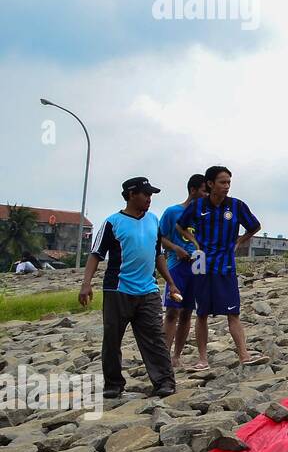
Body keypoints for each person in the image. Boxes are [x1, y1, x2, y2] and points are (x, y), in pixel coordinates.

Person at [78, 177, 181, 399]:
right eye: (145, 194)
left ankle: (164, 381)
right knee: (113, 339)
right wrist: (86, 284)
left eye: (151, 195)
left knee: (155, 338)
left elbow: (158, 255)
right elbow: (96, 255)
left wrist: (170, 282)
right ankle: (113, 383)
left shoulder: (154, 220)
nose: (149, 199)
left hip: (148, 290)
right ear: (131, 195)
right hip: (118, 290)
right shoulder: (113, 222)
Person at [177, 165, 267, 368]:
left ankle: (244, 355)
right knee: (201, 313)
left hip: (225, 263)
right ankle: (202, 359)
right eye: (222, 182)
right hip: (200, 262)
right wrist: (194, 241)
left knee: (232, 311)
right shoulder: (197, 206)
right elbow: (180, 226)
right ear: (210, 184)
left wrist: (239, 242)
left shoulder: (236, 206)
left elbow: (255, 225)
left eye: (229, 182)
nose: (226, 186)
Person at [159, 173, 208, 368]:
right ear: (193, 190)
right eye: (204, 190)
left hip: (197, 267)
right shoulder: (172, 212)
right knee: (172, 311)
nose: (206, 194)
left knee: (188, 312)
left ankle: (176, 356)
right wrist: (176, 249)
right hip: (176, 266)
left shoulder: (205, 214)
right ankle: (164, 354)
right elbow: (160, 238)